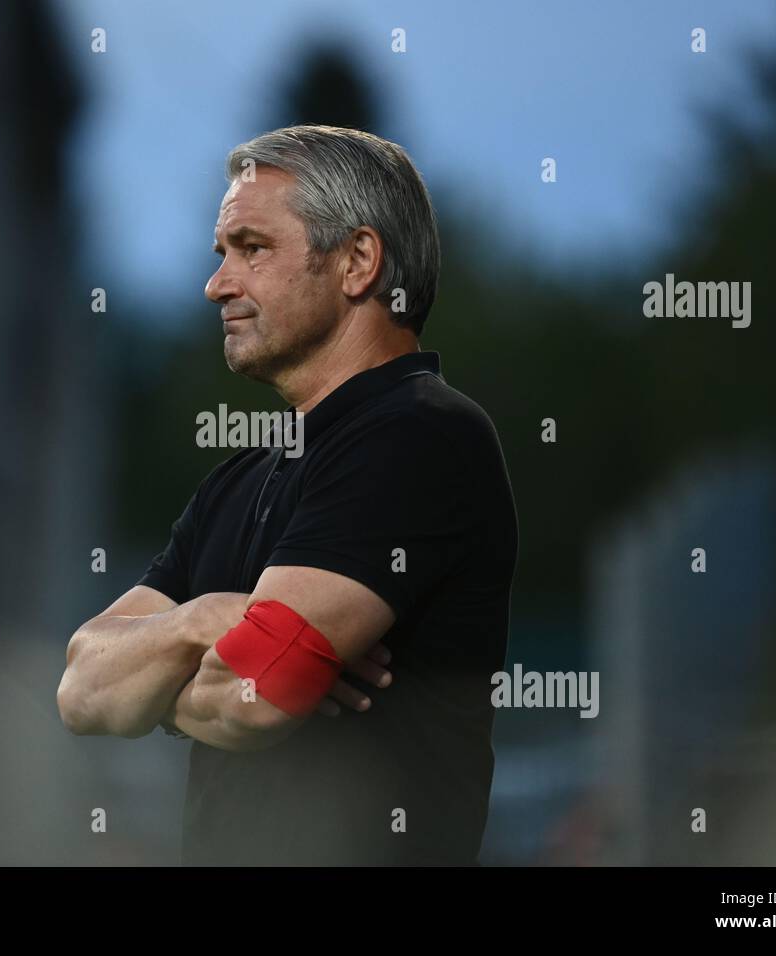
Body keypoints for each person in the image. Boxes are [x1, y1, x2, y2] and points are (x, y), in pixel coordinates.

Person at [58, 125, 518, 865]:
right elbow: (81, 689)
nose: (218, 284)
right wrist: (210, 623)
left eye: (253, 248)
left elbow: (255, 698)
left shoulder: (422, 435)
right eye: (222, 254)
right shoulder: (237, 479)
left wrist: (170, 673)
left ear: (358, 262)